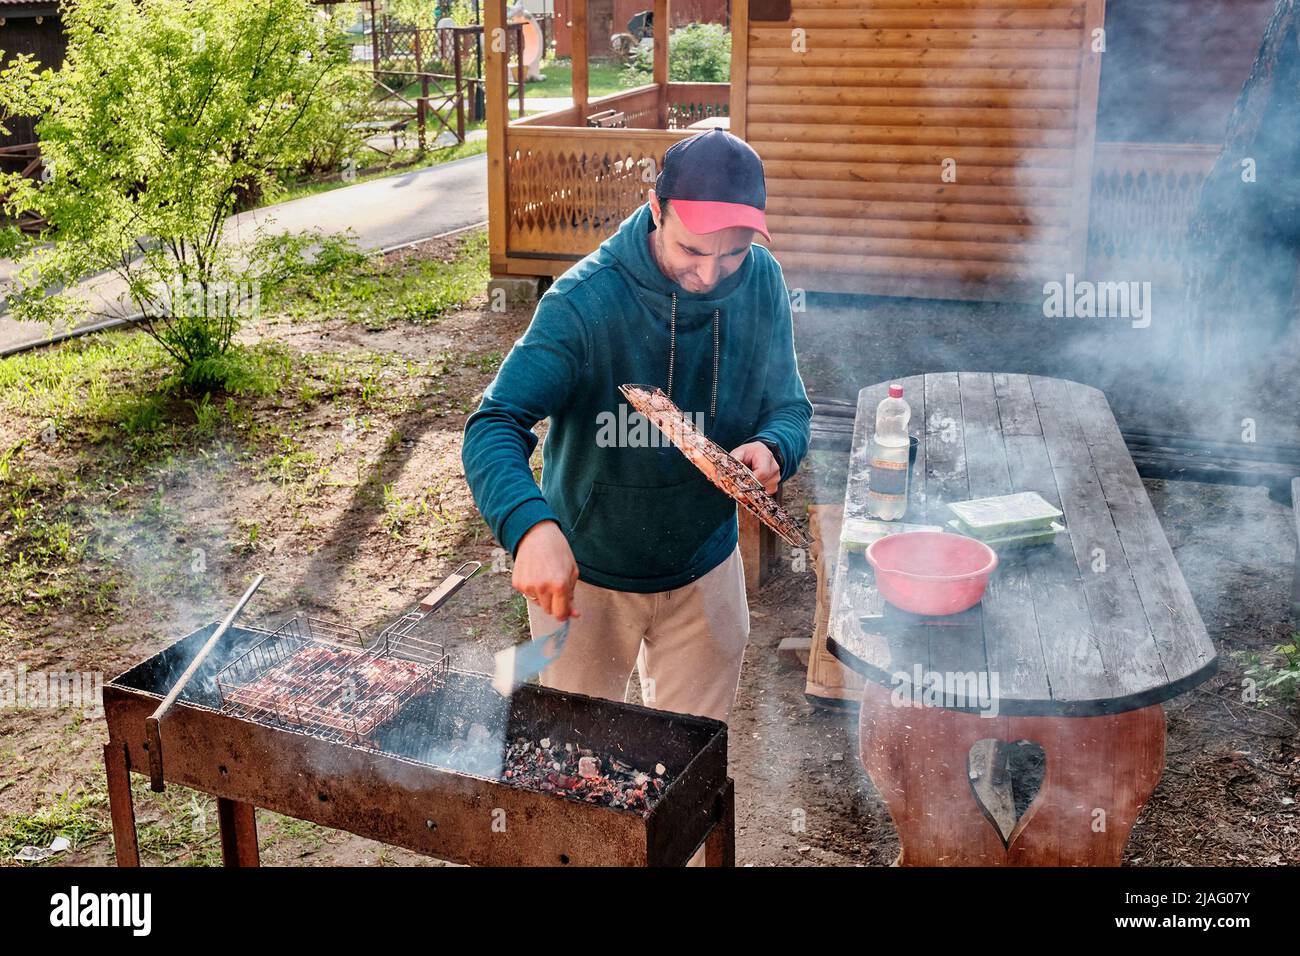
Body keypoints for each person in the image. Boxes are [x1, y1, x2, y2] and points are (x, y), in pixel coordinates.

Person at [462, 128, 811, 724]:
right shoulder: (585, 303)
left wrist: (775, 447)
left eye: (731, 253)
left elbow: (789, 406)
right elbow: (494, 423)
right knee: (582, 761)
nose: (710, 273)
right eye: (693, 251)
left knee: (690, 759)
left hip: (707, 566)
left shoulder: (761, 281)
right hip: (588, 575)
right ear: (656, 212)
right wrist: (530, 529)